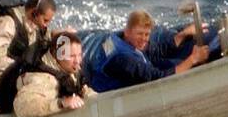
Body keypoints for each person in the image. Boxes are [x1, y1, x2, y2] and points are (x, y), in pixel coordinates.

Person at [80, 10, 210, 93]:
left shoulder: (119, 39)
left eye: (147, 34)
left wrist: (183, 34)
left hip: (121, 73)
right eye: (139, 34)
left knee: (172, 61)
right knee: (180, 65)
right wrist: (193, 59)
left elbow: (154, 51)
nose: (144, 39)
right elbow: (159, 79)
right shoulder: (123, 60)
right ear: (127, 32)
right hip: (109, 93)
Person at [0, 0, 76, 88]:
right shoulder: (7, 23)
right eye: (45, 20)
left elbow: (42, 38)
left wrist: (56, 35)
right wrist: (23, 69)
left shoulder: (34, 23)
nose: (46, 25)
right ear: (34, 13)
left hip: (12, 71)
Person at [2, 34, 96, 117]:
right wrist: (61, 103)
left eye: (79, 55)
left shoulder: (69, 69)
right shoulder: (43, 79)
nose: (77, 61)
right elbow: (22, 107)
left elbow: (83, 89)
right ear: (56, 55)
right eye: (71, 56)